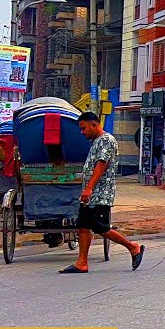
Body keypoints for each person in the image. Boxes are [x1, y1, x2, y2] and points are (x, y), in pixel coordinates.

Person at [59, 112, 144, 274]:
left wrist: (89, 187)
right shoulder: (97, 142)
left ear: (94, 125)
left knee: (100, 227)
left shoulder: (106, 140)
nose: (82, 132)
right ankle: (81, 262)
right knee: (83, 226)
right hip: (90, 194)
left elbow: (101, 164)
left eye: (84, 128)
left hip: (99, 193)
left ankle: (133, 247)